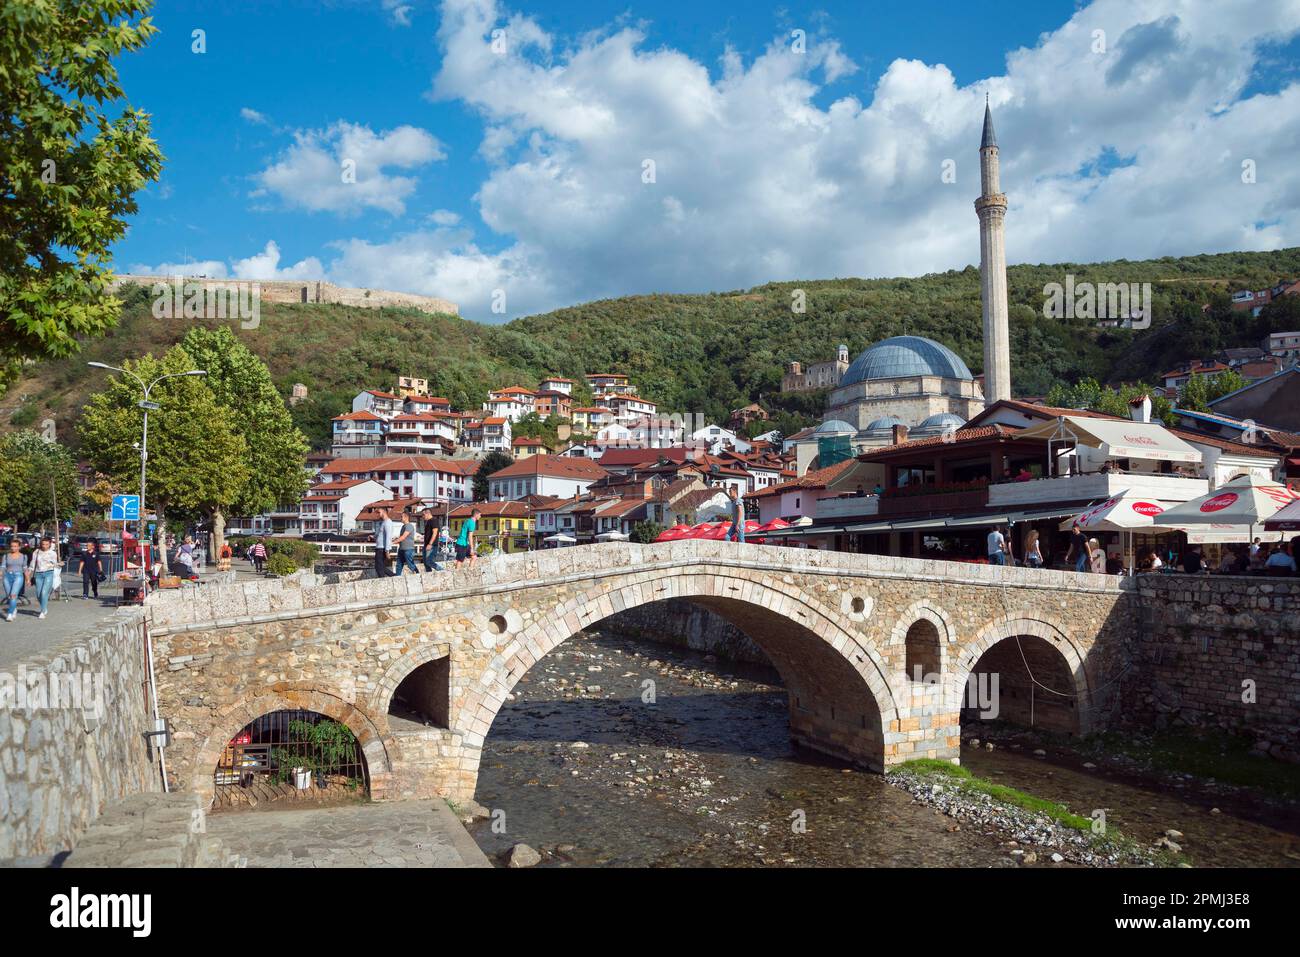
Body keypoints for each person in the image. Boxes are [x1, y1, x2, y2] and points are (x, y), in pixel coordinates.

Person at [28, 534, 60, 619]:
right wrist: (29, 574)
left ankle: (42, 611)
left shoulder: (53, 553)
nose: (44, 546)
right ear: (41, 544)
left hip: (48, 573)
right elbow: (32, 563)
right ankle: (44, 607)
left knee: (44, 593)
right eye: (43, 544)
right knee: (38, 594)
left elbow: (55, 564)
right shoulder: (36, 552)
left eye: (46, 544)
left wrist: (59, 564)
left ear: (49, 544)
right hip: (38, 574)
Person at [3, 537, 25, 621]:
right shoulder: (6, 556)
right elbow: (3, 566)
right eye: (12, 546)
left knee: (13, 595)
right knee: (9, 597)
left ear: (19, 547)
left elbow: (25, 568)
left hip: (18, 576)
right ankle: (14, 608)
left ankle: (9, 614)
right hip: (7, 576)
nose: (13, 548)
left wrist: (27, 579)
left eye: (15, 546)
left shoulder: (23, 556)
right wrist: (1, 572)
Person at [393, 508, 420, 575]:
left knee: (410, 564)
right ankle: (397, 577)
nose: (400, 518)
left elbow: (403, 537)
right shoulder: (403, 526)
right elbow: (401, 537)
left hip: (408, 549)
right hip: (401, 549)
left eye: (401, 517)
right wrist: (395, 539)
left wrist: (393, 543)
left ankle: (418, 574)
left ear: (406, 517)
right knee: (399, 565)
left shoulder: (409, 526)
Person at [421, 508, 445, 572]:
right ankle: (429, 575)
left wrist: (430, 544)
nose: (422, 516)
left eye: (423, 515)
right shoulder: (428, 522)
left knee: (429, 561)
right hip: (426, 545)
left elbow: (435, 533)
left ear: (428, 513)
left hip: (432, 545)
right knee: (426, 563)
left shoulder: (434, 521)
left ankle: (441, 570)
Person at [373, 506, 392, 578]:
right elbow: (380, 535)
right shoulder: (383, 522)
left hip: (382, 548)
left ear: (384, 512)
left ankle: (393, 577)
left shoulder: (387, 522)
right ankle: (393, 577)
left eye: (379, 512)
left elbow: (388, 537)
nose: (377, 514)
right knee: (380, 567)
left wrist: (387, 551)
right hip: (379, 547)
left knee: (379, 567)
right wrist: (373, 537)